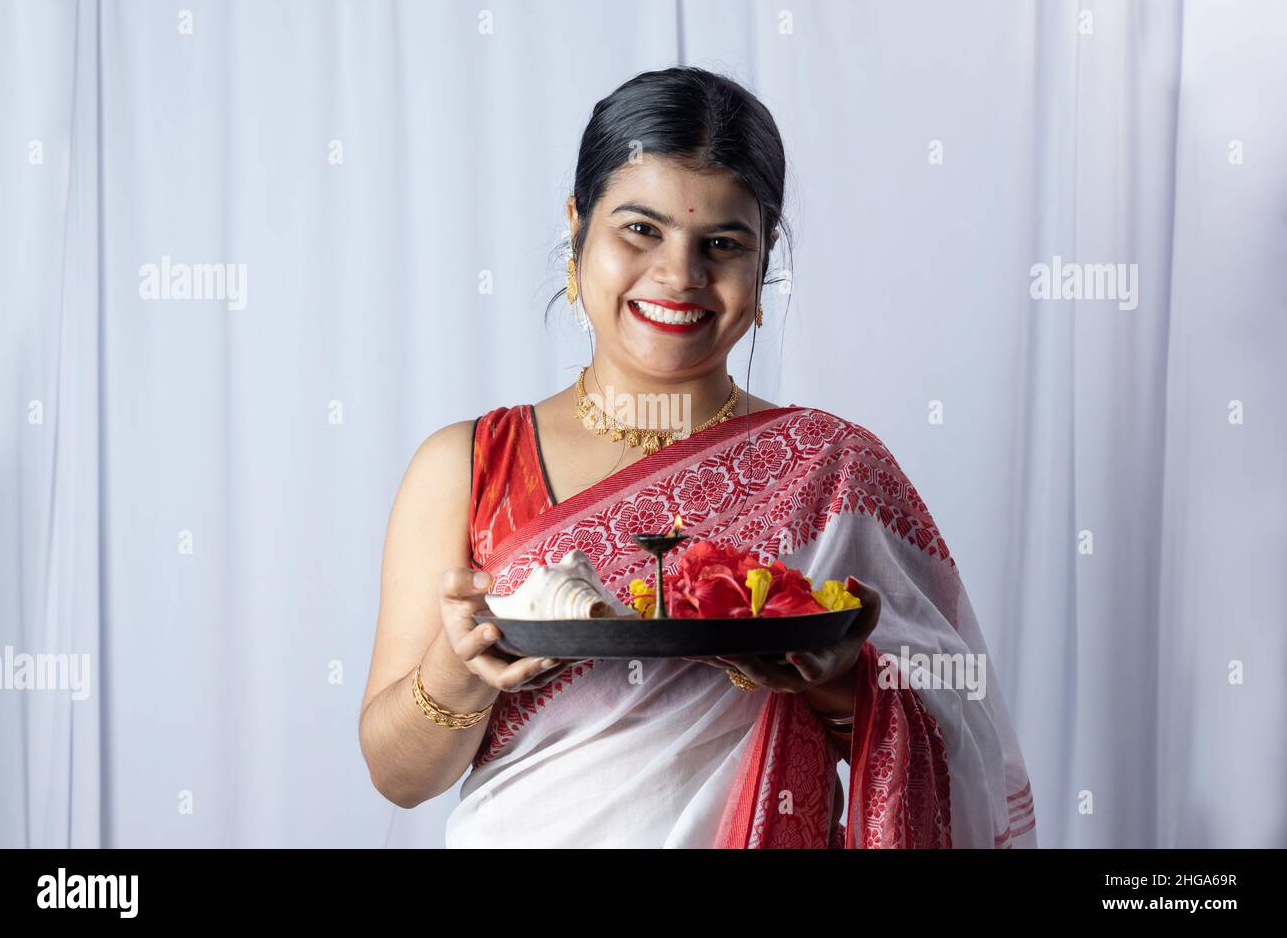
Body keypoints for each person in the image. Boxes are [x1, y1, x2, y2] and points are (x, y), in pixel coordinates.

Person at [358, 66, 1035, 848]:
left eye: (721, 243)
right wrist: (460, 665)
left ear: (763, 259)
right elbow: (399, 779)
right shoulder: (468, 464)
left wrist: (845, 684)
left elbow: (962, 727)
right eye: (640, 230)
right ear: (578, 225)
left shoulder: (832, 466)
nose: (680, 275)